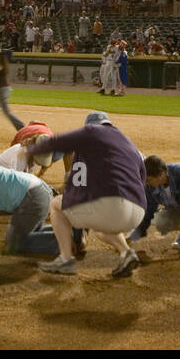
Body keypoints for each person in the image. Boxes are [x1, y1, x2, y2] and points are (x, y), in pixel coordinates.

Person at [32, 112, 147, 277]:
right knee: (101, 225)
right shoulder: (128, 144)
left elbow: (78, 184)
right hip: (137, 212)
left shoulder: (89, 138)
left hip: (112, 206)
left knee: (57, 205)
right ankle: (126, 252)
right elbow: (141, 179)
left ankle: (65, 259)